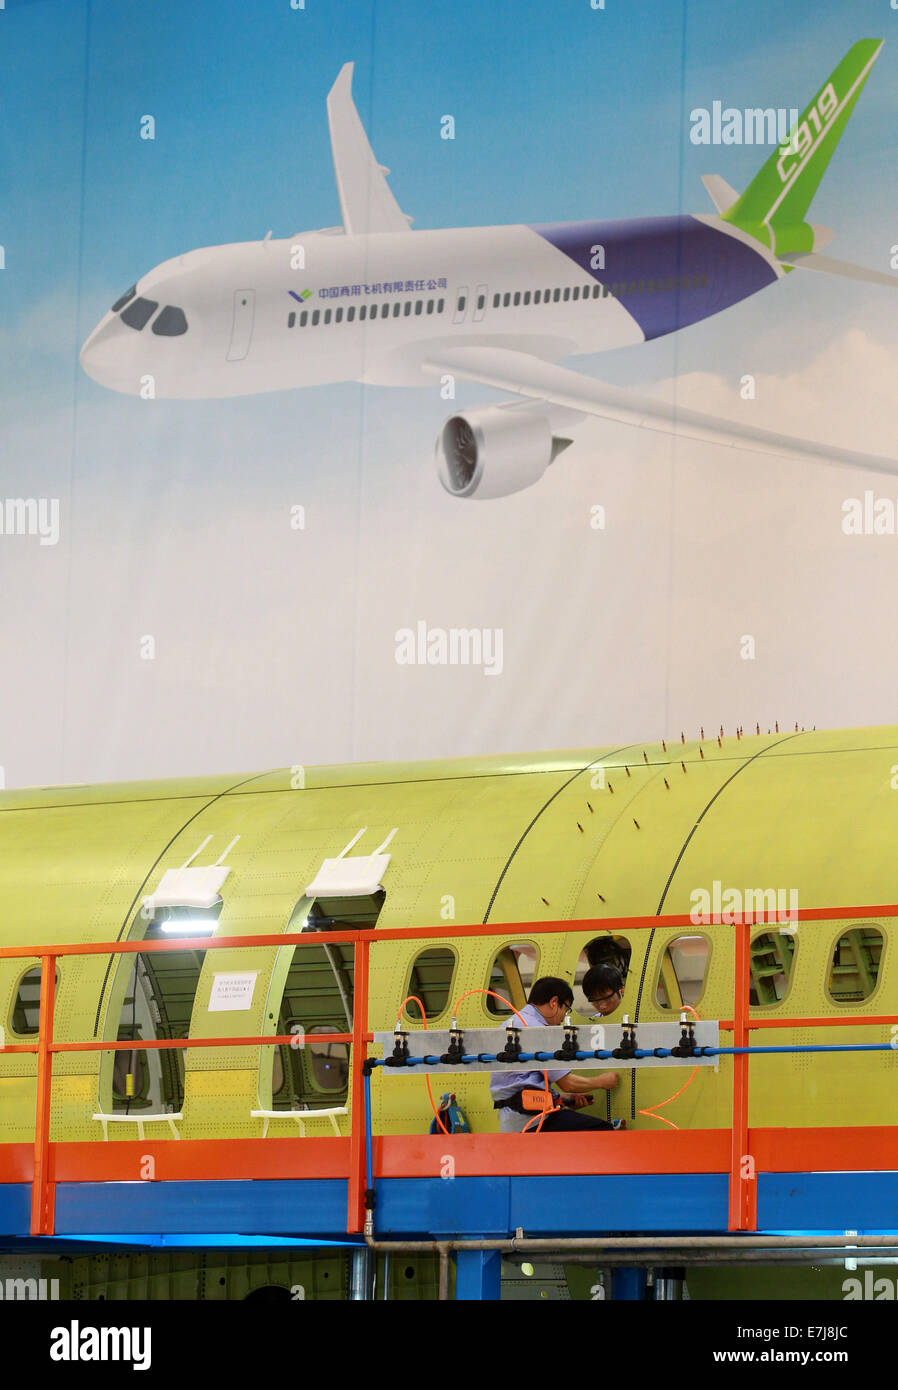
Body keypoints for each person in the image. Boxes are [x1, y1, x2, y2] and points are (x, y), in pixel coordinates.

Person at [490, 976, 623, 1133]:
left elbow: (520, 1082)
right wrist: (602, 1081)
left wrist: (563, 1098)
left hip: (513, 1121)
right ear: (554, 1003)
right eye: (565, 1010)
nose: (562, 1018)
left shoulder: (512, 1023)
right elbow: (567, 1083)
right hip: (535, 1121)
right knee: (602, 1130)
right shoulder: (537, 1029)